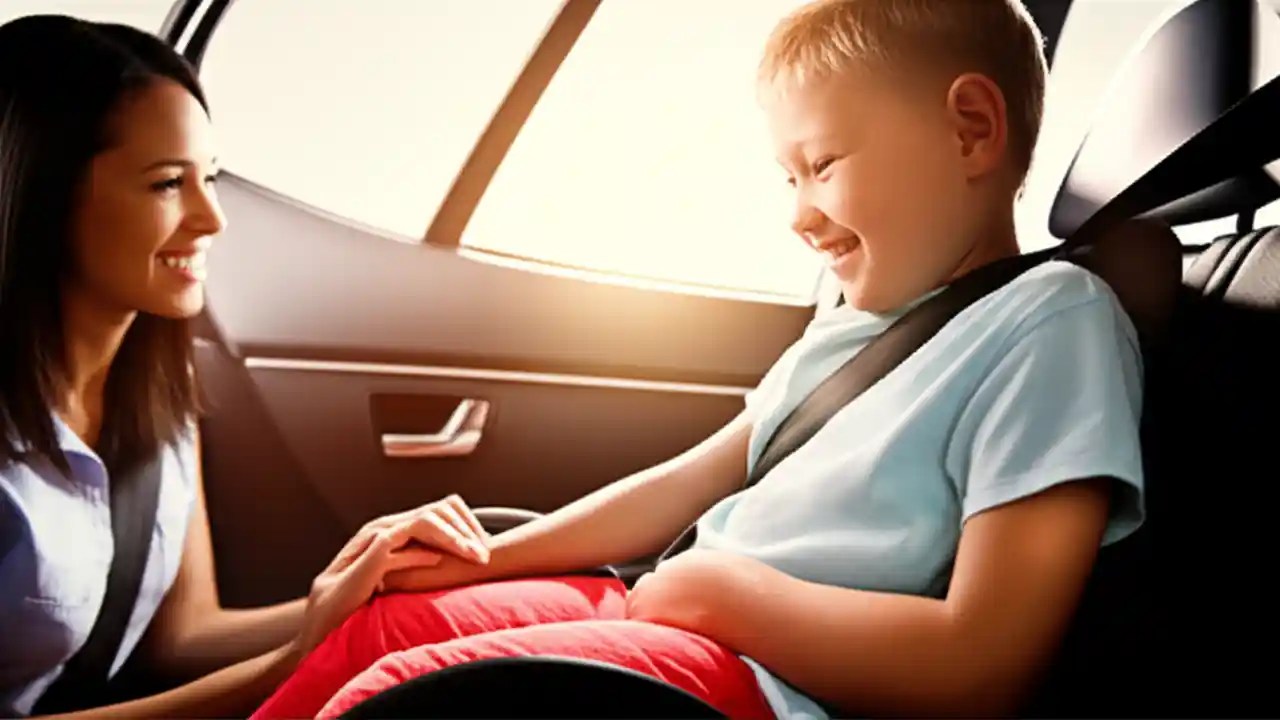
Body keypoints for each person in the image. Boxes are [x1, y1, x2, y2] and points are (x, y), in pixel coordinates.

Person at [252, 1, 1165, 718]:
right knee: (384, 631)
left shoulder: (1054, 324)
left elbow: (981, 667)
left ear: (970, 129)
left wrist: (730, 597)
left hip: (763, 682)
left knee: (404, 697)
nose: (799, 213)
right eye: (789, 175)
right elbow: (690, 481)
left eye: (824, 163)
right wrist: (489, 558)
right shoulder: (853, 325)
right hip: (676, 611)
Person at [0, 16, 494, 718]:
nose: (212, 217)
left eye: (211, 177)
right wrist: (292, 665)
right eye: (168, 184)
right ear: (46, 196)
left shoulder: (162, 391)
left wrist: (362, 585)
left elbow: (181, 634)